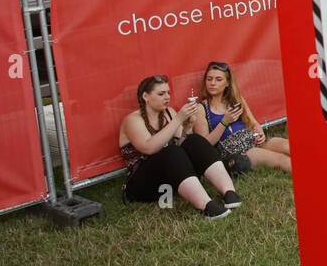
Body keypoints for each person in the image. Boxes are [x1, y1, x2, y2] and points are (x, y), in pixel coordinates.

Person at [119, 75, 241, 219]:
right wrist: (178, 119)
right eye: (161, 94)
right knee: (170, 152)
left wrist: (187, 127)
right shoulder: (133, 120)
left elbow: (181, 143)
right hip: (141, 183)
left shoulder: (169, 112)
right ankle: (205, 205)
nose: (167, 97)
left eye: (168, 93)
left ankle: (229, 192)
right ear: (145, 96)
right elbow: (149, 148)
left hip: (170, 176)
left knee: (194, 140)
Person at [194, 61, 291, 175]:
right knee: (281, 159)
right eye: (209, 79)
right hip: (236, 149)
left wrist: (259, 131)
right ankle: (310, 177)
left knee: (288, 146)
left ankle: (315, 163)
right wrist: (224, 122)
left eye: (218, 79)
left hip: (250, 138)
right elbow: (204, 145)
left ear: (227, 83)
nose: (213, 83)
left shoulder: (235, 99)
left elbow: (253, 123)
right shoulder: (201, 108)